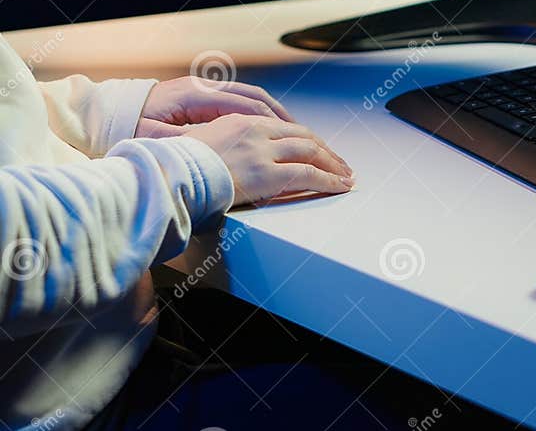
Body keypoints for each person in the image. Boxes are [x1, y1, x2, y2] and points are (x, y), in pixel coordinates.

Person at [0, 32, 357, 429]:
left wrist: (97, 115)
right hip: (71, 407)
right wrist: (188, 171)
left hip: (101, 348)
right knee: (374, 397)